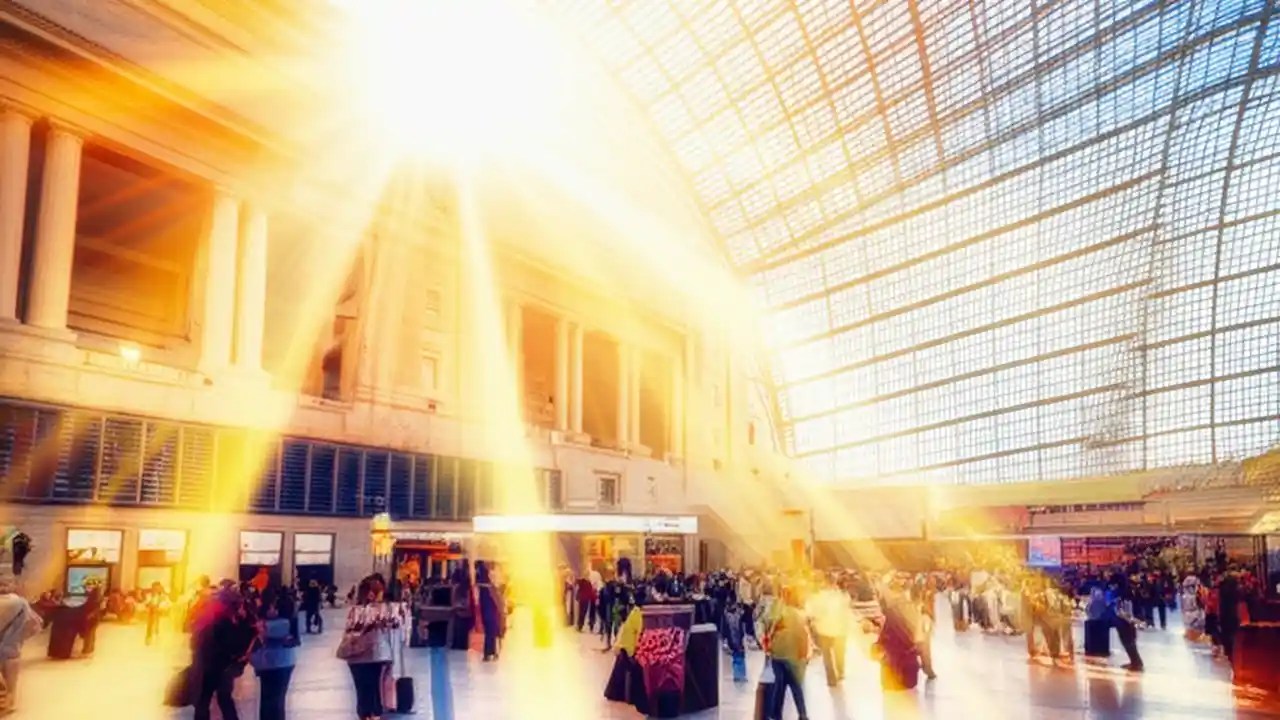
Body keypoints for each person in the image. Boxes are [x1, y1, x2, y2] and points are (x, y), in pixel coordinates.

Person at [193, 590, 256, 720]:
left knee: (205, 698)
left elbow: (202, 640)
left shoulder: (216, 620)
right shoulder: (235, 622)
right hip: (224, 665)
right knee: (223, 698)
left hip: (211, 664)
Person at [341, 575, 396, 720]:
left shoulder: (355, 610)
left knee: (363, 692)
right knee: (373, 692)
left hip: (356, 656)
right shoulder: (378, 610)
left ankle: (366, 716)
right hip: (372, 655)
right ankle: (373, 716)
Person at [0, 570, 44, 715]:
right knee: (11, 684)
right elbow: (35, 624)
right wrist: (18, 636)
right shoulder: (21, 603)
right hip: (12, 651)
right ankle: (9, 705)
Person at [252, 589, 298, 720]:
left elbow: (260, 634)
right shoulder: (286, 623)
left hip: (268, 663)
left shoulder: (268, 623)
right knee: (276, 700)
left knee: (268, 700)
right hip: (282, 663)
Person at [764, 587, 810, 720]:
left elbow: (768, 627)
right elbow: (803, 635)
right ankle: (802, 714)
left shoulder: (777, 612)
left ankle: (775, 714)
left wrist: (769, 647)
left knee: (779, 686)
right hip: (793, 655)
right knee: (796, 686)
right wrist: (804, 653)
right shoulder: (799, 614)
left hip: (778, 653)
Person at [805, 576, 850, 687]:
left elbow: (812, 612)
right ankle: (840, 671)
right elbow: (846, 608)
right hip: (840, 629)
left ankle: (831, 678)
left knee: (827, 655)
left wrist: (813, 620)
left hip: (824, 629)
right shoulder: (842, 595)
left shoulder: (819, 597)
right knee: (840, 652)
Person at [475, 561, 504, 662]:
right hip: (488, 602)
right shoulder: (487, 580)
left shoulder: (487, 579)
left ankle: (490, 652)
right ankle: (490, 652)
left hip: (488, 603)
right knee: (490, 628)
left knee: (490, 628)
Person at [1112, 585, 1143, 672]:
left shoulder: (1123, 598)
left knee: (1128, 643)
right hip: (1128, 622)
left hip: (1125, 623)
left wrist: (1129, 619)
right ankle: (1135, 661)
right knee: (1130, 643)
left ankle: (1136, 663)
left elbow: (1124, 612)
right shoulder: (1128, 596)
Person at [144, 582, 169, 646]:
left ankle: (155, 635)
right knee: (152, 615)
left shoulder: (164, 596)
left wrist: (160, 606)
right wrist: (151, 603)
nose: (156, 589)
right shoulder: (149, 595)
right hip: (152, 612)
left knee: (155, 614)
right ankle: (149, 637)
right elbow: (146, 603)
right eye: (155, 588)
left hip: (161, 611)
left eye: (158, 588)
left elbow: (167, 604)